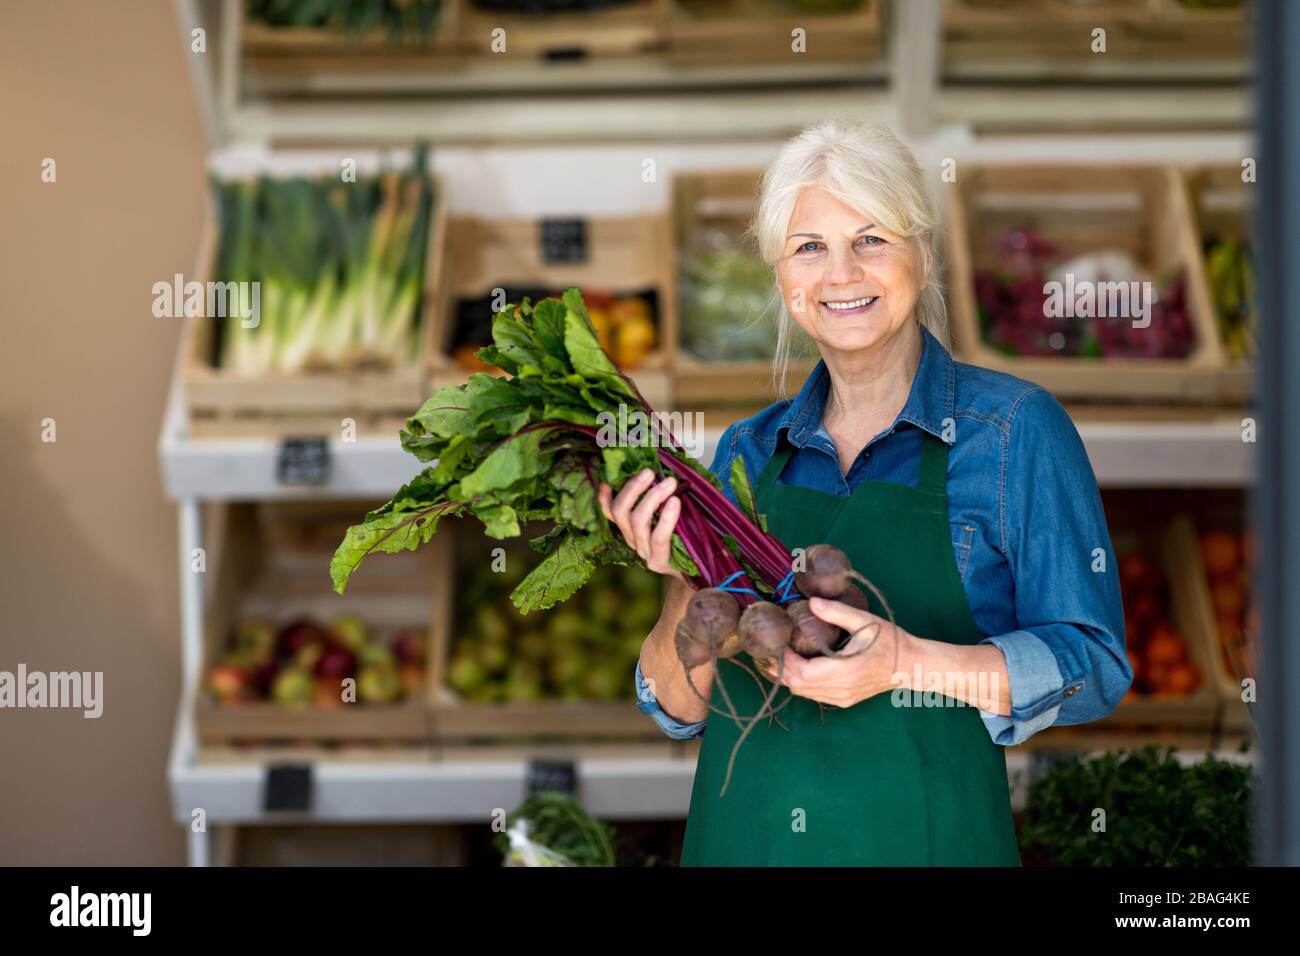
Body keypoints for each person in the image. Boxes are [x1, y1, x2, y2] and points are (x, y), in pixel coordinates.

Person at [597, 120, 1130, 866]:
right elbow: (679, 709)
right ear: (783, 277)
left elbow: (1094, 664)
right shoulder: (747, 452)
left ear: (925, 253)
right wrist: (679, 579)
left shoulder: (1012, 432)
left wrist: (908, 663)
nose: (840, 273)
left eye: (871, 238)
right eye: (809, 246)